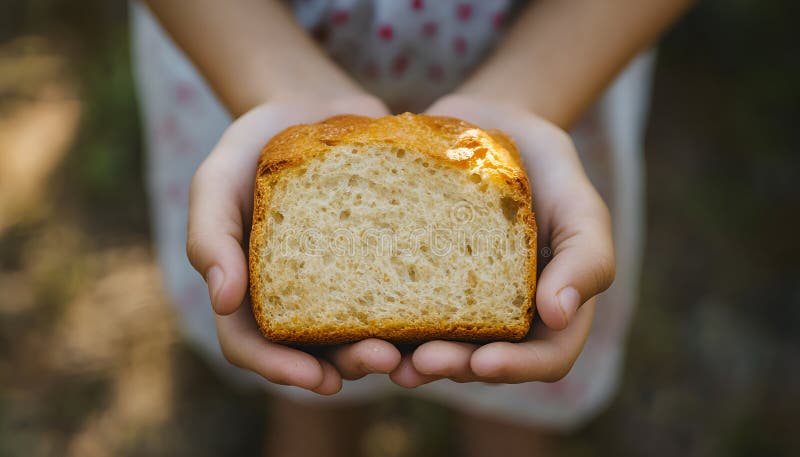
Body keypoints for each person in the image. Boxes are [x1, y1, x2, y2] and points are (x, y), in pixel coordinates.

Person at [131, 0, 691, 455]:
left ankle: (508, 429)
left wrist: (529, 98)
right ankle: (317, 422)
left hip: (564, 55)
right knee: (308, 382)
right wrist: (277, 85)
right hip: (239, 43)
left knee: (515, 387)